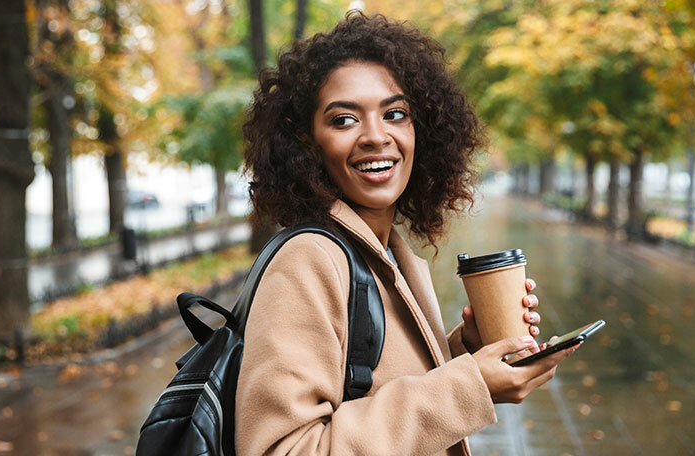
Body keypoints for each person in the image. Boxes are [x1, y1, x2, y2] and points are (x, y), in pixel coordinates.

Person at [236, 12, 578, 456]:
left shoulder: (384, 252)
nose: (376, 137)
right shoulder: (310, 259)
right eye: (343, 120)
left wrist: (465, 350)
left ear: (423, 131)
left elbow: (376, 385)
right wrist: (471, 386)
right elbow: (284, 449)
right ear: (306, 143)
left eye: (395, 113)